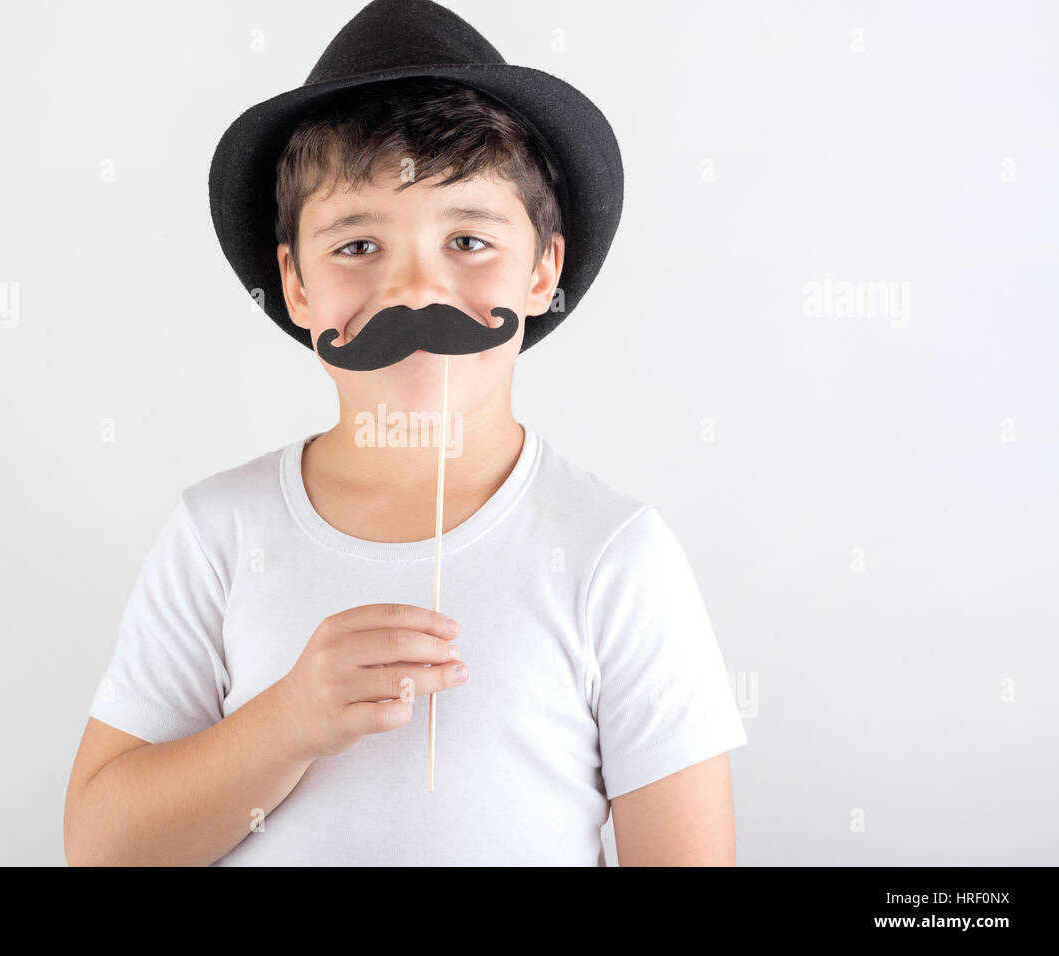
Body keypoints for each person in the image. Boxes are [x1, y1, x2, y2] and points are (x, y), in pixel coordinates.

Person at [64, 0, 747, 866]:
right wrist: (285, 725)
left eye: (467, 238)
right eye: (356, 246)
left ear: (544, 270)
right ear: (297, 284)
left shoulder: (615, 556)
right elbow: (101, 846)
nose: (415, 292)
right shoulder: (218, 536)